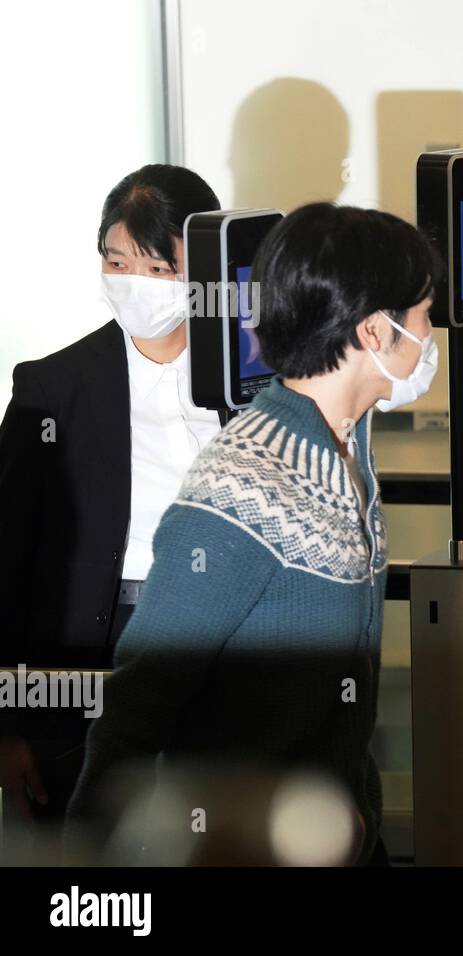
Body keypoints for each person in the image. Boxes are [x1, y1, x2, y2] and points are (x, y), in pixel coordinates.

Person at [65, 203, 439, 866]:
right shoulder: (244, 483)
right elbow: (140, 699)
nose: (431, 335)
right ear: (374, 331)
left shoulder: (347, 444)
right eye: (424, 315)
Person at [0, 165, 222, 851]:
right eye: (117, 262)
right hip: (95, 648)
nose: (134, 283)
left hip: (223, 638)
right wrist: (7, 725)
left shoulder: (253, 382)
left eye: (158, 268)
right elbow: (6, 558)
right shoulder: (53, 387)